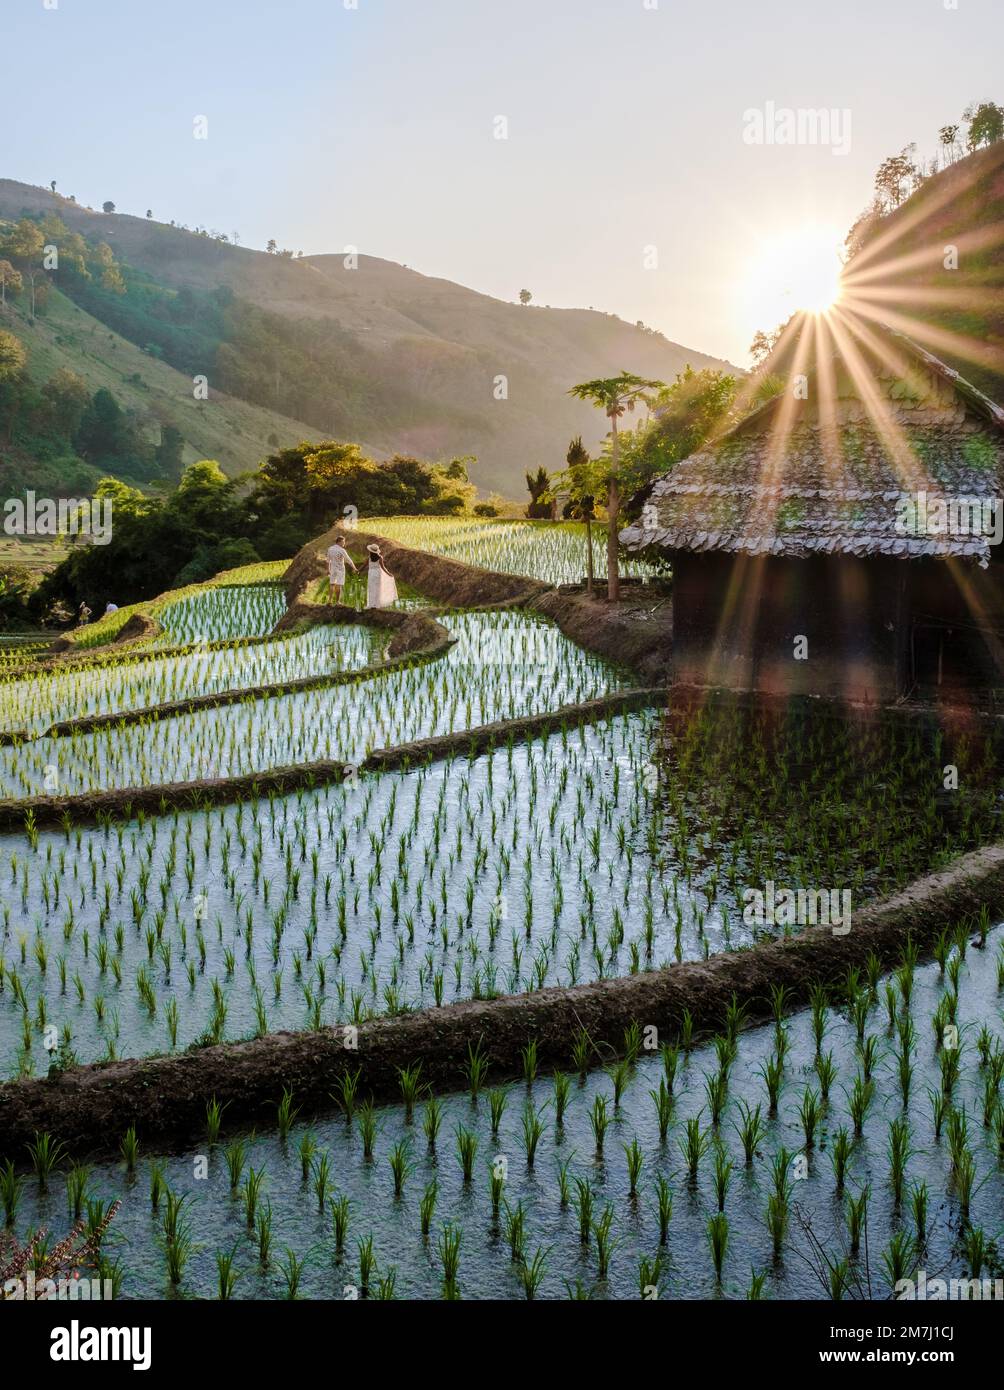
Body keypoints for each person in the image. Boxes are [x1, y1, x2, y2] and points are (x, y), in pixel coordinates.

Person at [325, 534, 358, 605]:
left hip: (333, 569)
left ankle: (329, 601)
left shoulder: (330, 549)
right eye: (343, 542)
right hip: (340, 569)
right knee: (338, 585)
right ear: (339, 542)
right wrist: (354, 568)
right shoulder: (342, 550)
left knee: (332, 584)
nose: (344, 543)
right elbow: (349, 560)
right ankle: (337, 602)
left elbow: (328, 560)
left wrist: (328, 569)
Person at [365, 544, 398, 609]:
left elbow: (364, 565)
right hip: (377, 574)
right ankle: (376, 604)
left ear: (370, 551)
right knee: (377, 588)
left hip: (371, 574)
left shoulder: (369, 558)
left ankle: (372, 604)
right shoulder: (380, 558)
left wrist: (358, 570)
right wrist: (389, 574)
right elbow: (383, 567)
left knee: (371, 588)